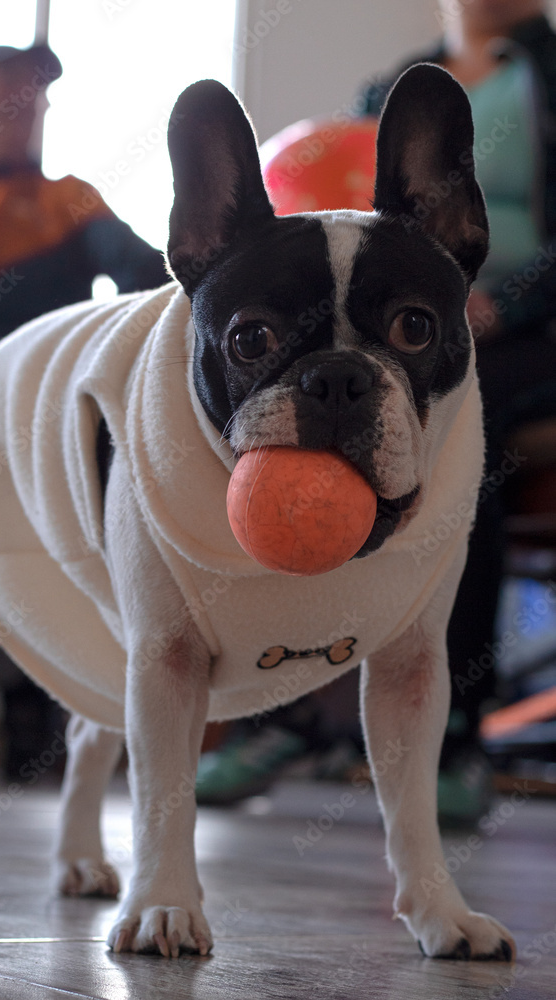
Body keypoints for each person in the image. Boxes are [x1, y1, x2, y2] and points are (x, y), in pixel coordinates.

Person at [196, 0, 556, 823]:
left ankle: (454, 728)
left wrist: (504, 305)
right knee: (294, 448)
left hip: (519, 324)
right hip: (388, 324)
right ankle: (294, 711)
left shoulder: (547, 69)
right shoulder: (383, 90)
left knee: (465, 418)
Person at [0, 43, 169, 775]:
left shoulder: (70, 205)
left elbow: (151, 283)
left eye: (33, 103)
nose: (23, 115)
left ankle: (34, 703)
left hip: (49, 419)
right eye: (5, 100)